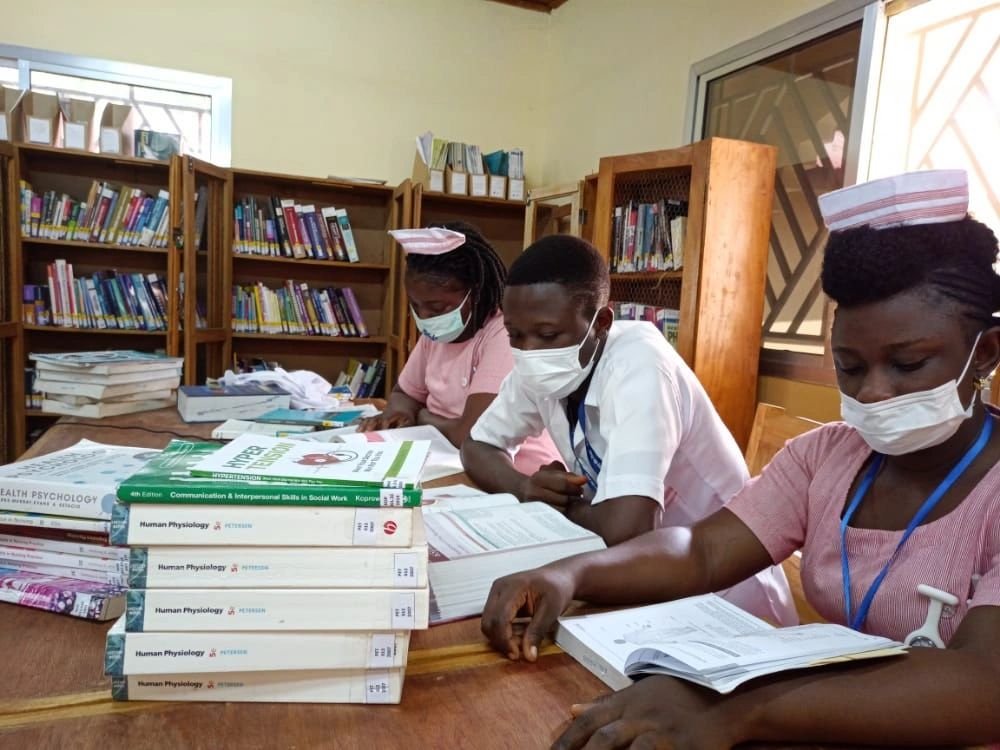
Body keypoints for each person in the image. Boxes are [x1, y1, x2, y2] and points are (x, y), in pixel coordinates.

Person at [480, 169, 1000, 749]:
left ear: (985, 353)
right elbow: (702, 550)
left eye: (908, 365)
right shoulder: (827, 457)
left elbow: (986, 682)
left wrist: (738, 710)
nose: (874, 392)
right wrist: (569, 574)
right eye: (850, 367)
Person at [462, 234, 796, 625]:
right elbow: (477, 446)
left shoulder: (641, 366)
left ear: (601, 323)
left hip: (727, 599)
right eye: (515, 335)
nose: (529, 351)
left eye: (548, 335)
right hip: (634, 583)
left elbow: (627, 530)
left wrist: (554, 505)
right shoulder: (542, 365)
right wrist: (524, 488)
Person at [358, 222, 558, 475]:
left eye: (437, 308)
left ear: (474, 293)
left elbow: (473, 435)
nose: (424, 317)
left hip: (512, 473)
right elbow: (404, 393)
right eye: (415, 305)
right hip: (446, 458)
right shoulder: (437, 332)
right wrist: (399, 413)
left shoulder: (504, 334)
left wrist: (422, 416)